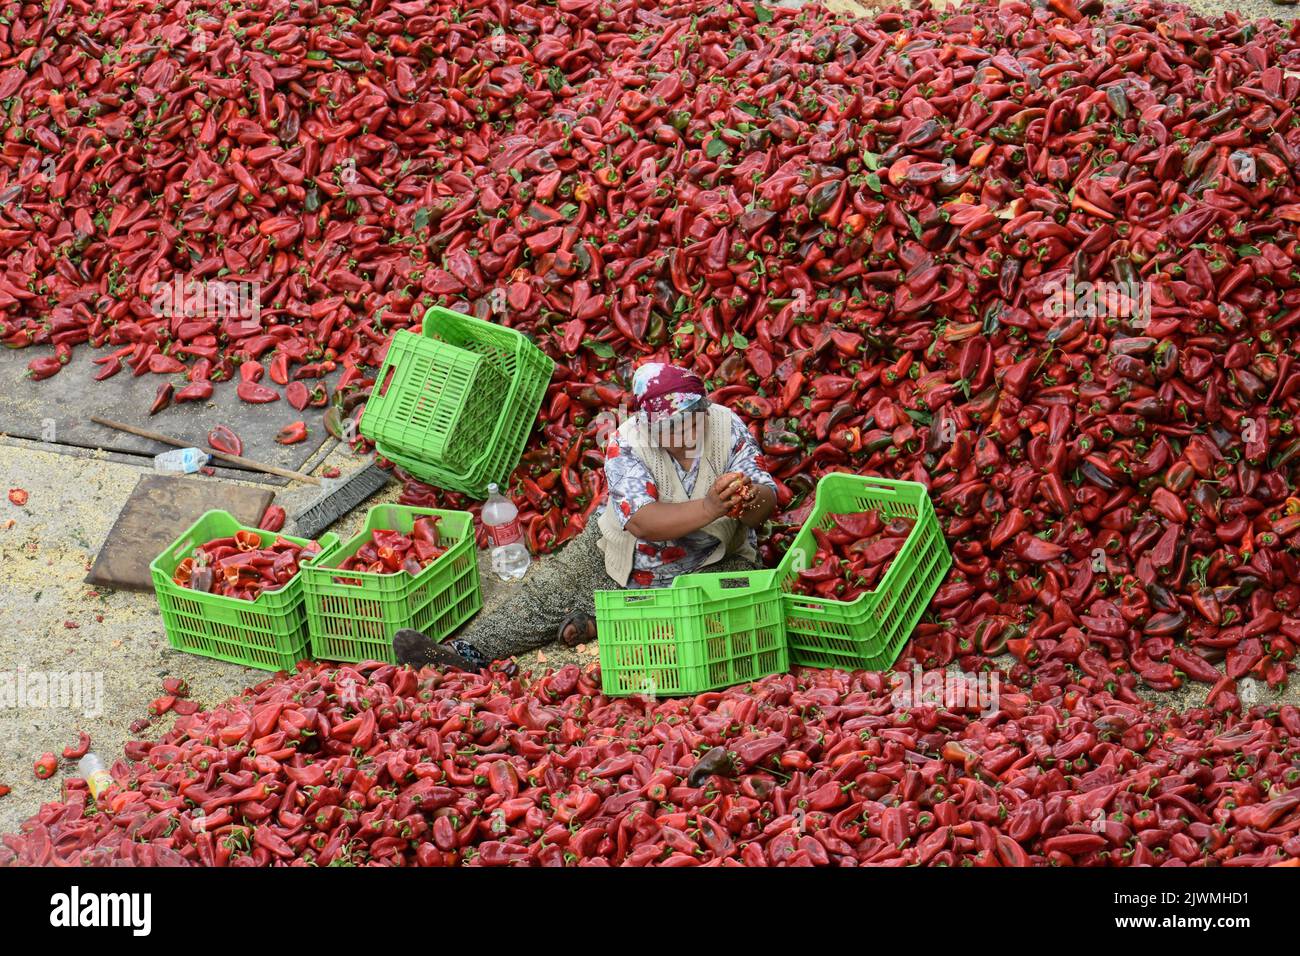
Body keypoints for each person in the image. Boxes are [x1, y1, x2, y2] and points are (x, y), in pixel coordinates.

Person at [392, 362, 778, 670]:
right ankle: (465, 654)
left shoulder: (727, 427)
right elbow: (642, 521)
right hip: (627, 551)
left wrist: (746, 499)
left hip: (711, 559)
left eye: (693, 419)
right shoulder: (627, 442)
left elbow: (766, 502)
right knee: (548, 591)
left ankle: (602, 621)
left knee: (715, 615)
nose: (687, 433)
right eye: (672, 427)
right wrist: (711, 506)